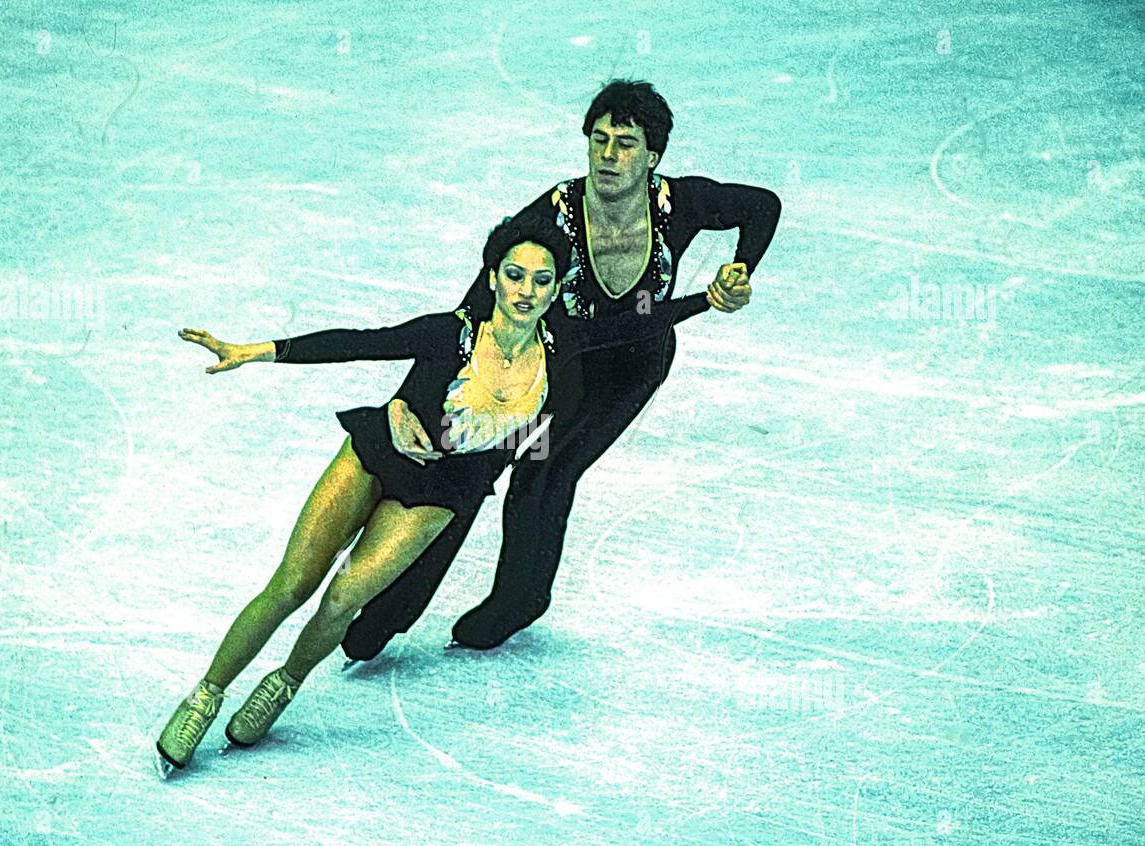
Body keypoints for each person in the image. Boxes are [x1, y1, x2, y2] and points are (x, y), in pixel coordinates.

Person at [154, 218, 718, 778]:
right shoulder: (452, 332)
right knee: (294, 584)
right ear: (493, 278)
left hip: (443, 489)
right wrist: (258, 351)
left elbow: (635, 326)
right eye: (515, 276)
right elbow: (362, 344)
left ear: (555, 288)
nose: (526, 291)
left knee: (343, 597)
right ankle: (206, 696)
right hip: (376, 457)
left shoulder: (563, 348)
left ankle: (285, 682)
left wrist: (708, 299)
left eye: (541, 281)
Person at [340, 78, 782, 661]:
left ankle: (520, 598)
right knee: (472, 463)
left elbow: (762, 206)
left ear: (653, 156)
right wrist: (407, 398)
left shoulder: (685, 203)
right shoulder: (552, 217)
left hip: (629, 368)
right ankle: (390, 611)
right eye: (598, 139)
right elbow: (473, 314)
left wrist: (740, 270)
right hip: (551, 361)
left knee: (544, 472)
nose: (607, 155)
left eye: (625, 143)